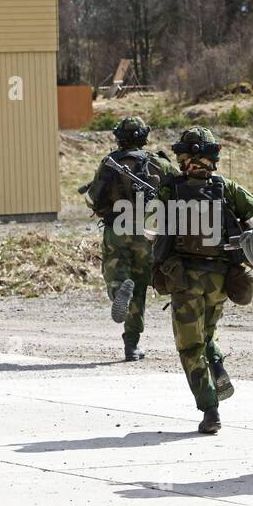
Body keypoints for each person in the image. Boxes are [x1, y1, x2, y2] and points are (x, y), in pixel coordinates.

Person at [152, 126, 253, 434]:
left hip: (184, 278)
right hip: (220, 278)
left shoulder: (170, 188)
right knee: (207, 333)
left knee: (190, 346)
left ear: (183, 158)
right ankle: (217, 366)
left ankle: (210, 408)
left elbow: (149, 230)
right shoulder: (227, 188)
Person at [82, 116, 178, 360]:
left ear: (118, 137)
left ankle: (117, 292)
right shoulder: (158, 163)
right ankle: (132, 345)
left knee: (117, 277)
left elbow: (92, 200)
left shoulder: (109, 163)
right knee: (139, 287)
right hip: (148, 231)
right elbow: (178, 190)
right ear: (144, 136)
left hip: (117, 229)